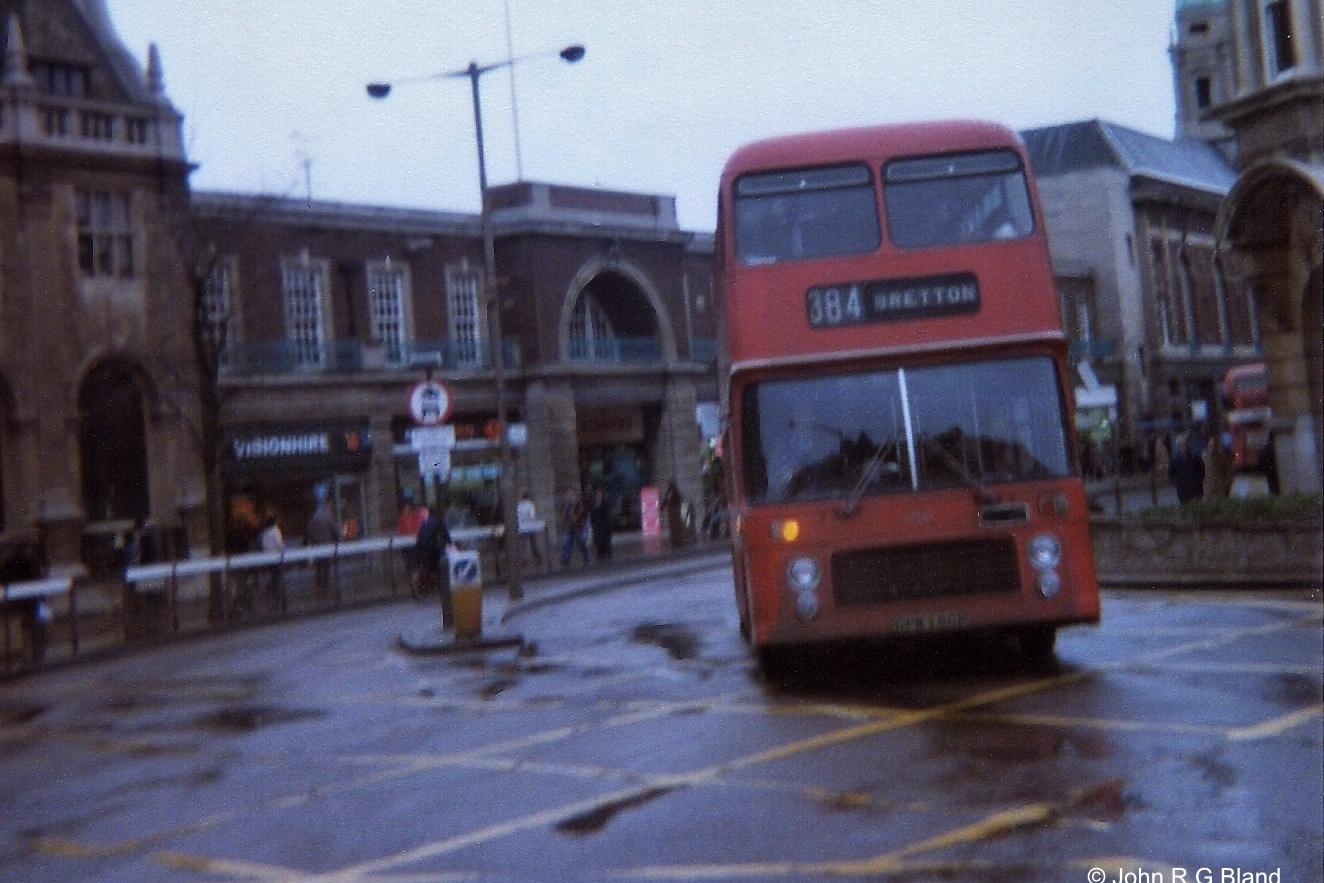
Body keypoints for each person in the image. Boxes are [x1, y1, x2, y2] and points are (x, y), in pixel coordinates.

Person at [415, 505, 457, 626]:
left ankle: (422, 588)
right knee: (440, 569)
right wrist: (451, 546)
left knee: (428, 568)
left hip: (423, 551)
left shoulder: (425, 522)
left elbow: (420, 538)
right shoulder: (438, 521)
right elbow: (446, 537)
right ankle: (441, 589)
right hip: (433, 550)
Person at [305, 498, 340, 599]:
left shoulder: (313, 517)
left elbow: (309, 532)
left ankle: (319, 585)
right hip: (327, 546)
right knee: (326, 567)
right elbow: (336, 531)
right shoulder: (328, 517)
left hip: (316, 546)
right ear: (327, 506)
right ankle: (325, 586)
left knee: (319, 567)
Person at [1167, 430, 1205, 504]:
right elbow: (1171, 474)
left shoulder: (1194, 456)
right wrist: (1178, 482)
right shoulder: (1175, 460)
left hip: (1195, 488)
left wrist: (1198, 480)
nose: (1182, 446)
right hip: (1183, 490)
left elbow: (1201, 469)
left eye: (1183, 444)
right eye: (1180, 445)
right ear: (1178, 446)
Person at [558, 488, 590, 567]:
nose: (568, 497)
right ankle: (565, 559)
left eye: (570, 495)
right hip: (571, 527)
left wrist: (572, 516)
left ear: (574, 496)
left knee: (582, 543)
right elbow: (564, 517)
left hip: (579, 527)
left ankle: (586, 558)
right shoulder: (567, 506)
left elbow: (579, 516)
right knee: (567, 543)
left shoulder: (579, 504)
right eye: (567, 495)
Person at [1203, 428, 1235, 499]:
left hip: (1220, 491)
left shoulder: (1221, 457)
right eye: (1210, 445)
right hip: (1209, 491)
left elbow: (1228, 473)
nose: (1211, 447)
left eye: (1213, 445)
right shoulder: (1205, 457)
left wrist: (1226, 487)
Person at [517, 491, 543, 569]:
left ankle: (522, 560)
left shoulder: (519, 505)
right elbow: (532, 516)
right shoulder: (530, 504)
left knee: (522, 545)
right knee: (534, 544)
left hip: (521, 527)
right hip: (530, 527)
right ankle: (538, 558)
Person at [588, 487, 614, 562]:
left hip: (605, 526)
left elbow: (607, 514)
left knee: (606, 541)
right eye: (597, 494)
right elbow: (592, 513)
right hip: (597, 526)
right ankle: (600, 554)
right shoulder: (594, 503)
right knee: (599, 541)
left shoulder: (605, 503)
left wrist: (606, 523)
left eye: (599, 494)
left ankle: (607, 554)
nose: (598, 495)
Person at [661, 480, 688, 548]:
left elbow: (667, 500)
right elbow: (666, 500)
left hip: (675, 512)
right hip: (674, 513)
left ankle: (678, 540)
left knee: (676, 527)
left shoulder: (673, 492)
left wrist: (662, 507)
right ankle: (677, 540)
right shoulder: (671, 492)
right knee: (675, 527)